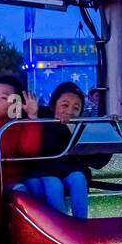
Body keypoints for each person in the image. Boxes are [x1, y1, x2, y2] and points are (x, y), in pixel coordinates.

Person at [14, 82, 94, 218]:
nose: (70, 111)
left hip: (68, 171)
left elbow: (97, 160)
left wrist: (112, 127)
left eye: (76, 108)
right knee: (53, 184)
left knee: (79, 177)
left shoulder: (79, 128)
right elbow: (42, 150)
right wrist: (59, 126)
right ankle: (60, 228)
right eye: (65, 105)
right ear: (53, 106)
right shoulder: (43, 122)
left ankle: (81, 224)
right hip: (43, 171)